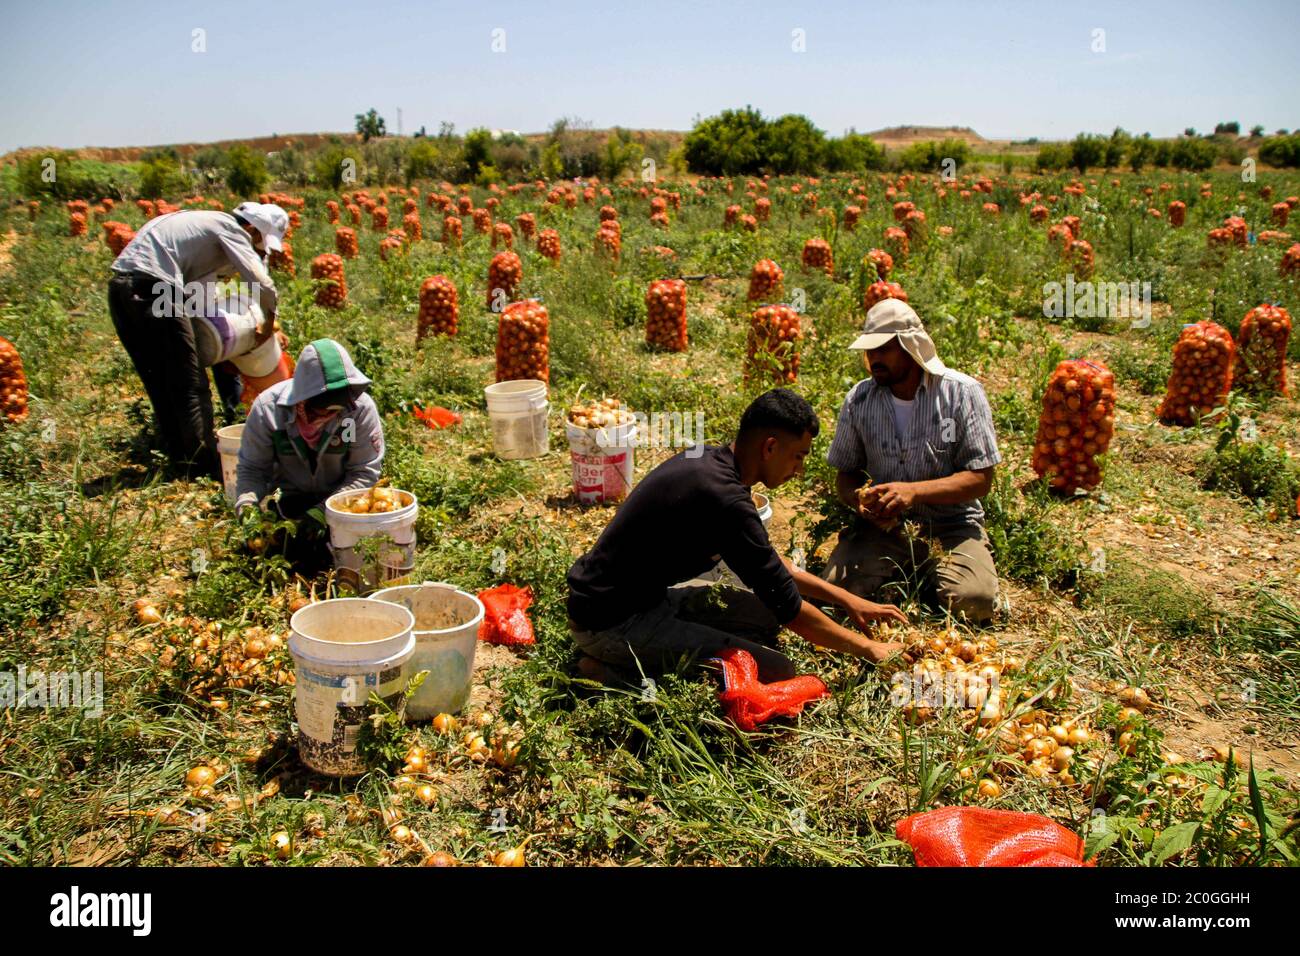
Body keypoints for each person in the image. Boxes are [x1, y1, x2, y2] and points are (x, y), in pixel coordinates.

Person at [567, 388, 908, 685]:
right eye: (798, 457)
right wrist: (870, 648)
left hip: (645, 599)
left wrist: (848, 600)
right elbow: (790, 610)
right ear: (770, 447)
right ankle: (615, 674)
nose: (799, 470)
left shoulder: (712, 461)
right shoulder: (725, 499)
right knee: (777, 670)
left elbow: (774, 568)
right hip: (609, 623)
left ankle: (652, 655)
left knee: (763, 617)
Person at [823, 299, 1002, 623]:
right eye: (870, 350)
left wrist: (914, 492)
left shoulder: (962, 394)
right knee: (836, 593)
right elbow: (846, 474)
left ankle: (941, 573)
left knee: (973, 602)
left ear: (911, 347)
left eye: (884, 350)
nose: (874, 358)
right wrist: (858, 500)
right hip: (883, 529)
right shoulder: (860, 400)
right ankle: (905, 574)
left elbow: (981, 478)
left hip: (952, 526)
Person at [107, 201, 288, 479]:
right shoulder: (230, 229)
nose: (260, 251)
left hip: (122, 290)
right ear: (251, 229)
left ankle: (181, 459)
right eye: (261, 244)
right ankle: (204, 465)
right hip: (155, 289)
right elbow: (260, 281)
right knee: (189, 381)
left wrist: (226, 353)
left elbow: (203, 310)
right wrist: (268, 321)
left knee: (159, 377)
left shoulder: (201, 232)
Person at [234, 339, 384, 522]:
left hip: (342, 501)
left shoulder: (358, 410)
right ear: (303, 399)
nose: (330, 415)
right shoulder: (268, 410)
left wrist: (322, 512)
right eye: (322, 409)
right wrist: (247, 507)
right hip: (288, 499)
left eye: (337, 409)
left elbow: (363, 472)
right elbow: (253, 469)